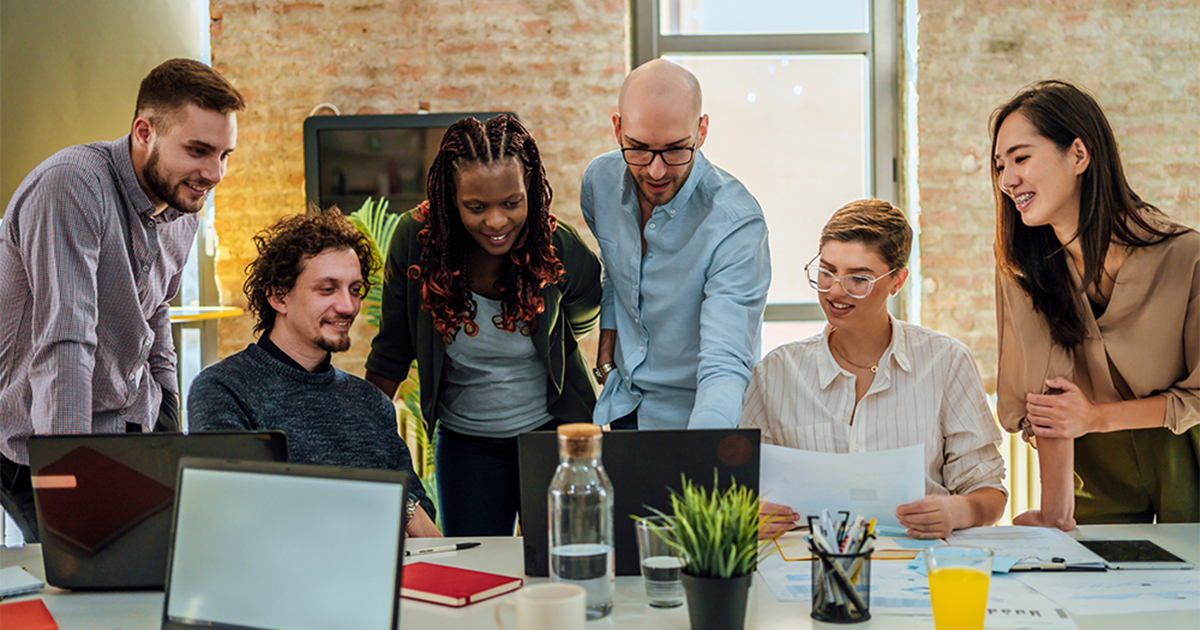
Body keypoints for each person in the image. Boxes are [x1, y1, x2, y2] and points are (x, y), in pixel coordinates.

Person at [0, 58, 244, 541]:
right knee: (77, 585)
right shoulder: (72, 185)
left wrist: (168, 413)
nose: (213, 173)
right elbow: (64, 344)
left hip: (127, 431)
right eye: (198, 150)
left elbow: (155, 312)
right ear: (143, 131)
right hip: (39, 437)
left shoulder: (182, 202)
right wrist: (69, 481)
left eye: (224, 154)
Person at [364, 114, 602, 537]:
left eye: (511, 203)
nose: (495, 222)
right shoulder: (416, 241)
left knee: (559, 566)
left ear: (531, 190)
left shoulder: (555, 244)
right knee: (476, 570)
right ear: (450, 199)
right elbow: (392, 352)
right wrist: (362, 437)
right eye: (476, 207)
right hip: (466, 446)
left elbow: (586, 310)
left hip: (552, 438)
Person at [992, 80, 1200, 529]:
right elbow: (1049, 403)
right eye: (1000, 165)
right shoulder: (1023, 272)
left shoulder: (1185, 256)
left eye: (1021, 158)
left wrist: (1096, 417)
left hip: (1188, 456)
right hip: (1095, 473)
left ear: (1079, 155)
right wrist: (1056, 512)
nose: (1007, 180)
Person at [741, 200, 1007, 540]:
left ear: (897, 281)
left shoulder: (947, 361)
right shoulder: (776, 373)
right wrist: (747, 512)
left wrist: (957, 510)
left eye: (859, 278)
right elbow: (738, 489)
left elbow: (988, 490)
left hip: (917, 565)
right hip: (805, 568)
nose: (836, 291)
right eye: (827, 271)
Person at [188, 209, 440, 537]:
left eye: (354, 289)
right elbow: (240, 512)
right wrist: (390, 502)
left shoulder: (370, 402)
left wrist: (404, 506)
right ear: (279, 296)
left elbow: (418, 516)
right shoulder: (223, 389)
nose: (348, 307)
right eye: (327, 289)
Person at [581, 58, 771, 431]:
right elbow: (615, 273)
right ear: (618, 129)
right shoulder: (598, 184)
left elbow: (725, 363)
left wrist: (699, 453)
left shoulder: (736, 225)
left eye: (675, 150)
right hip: (621, 408)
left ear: (701, 132)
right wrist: (608, 346)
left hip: (697, 418)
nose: (655, 170)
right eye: (638, 148)